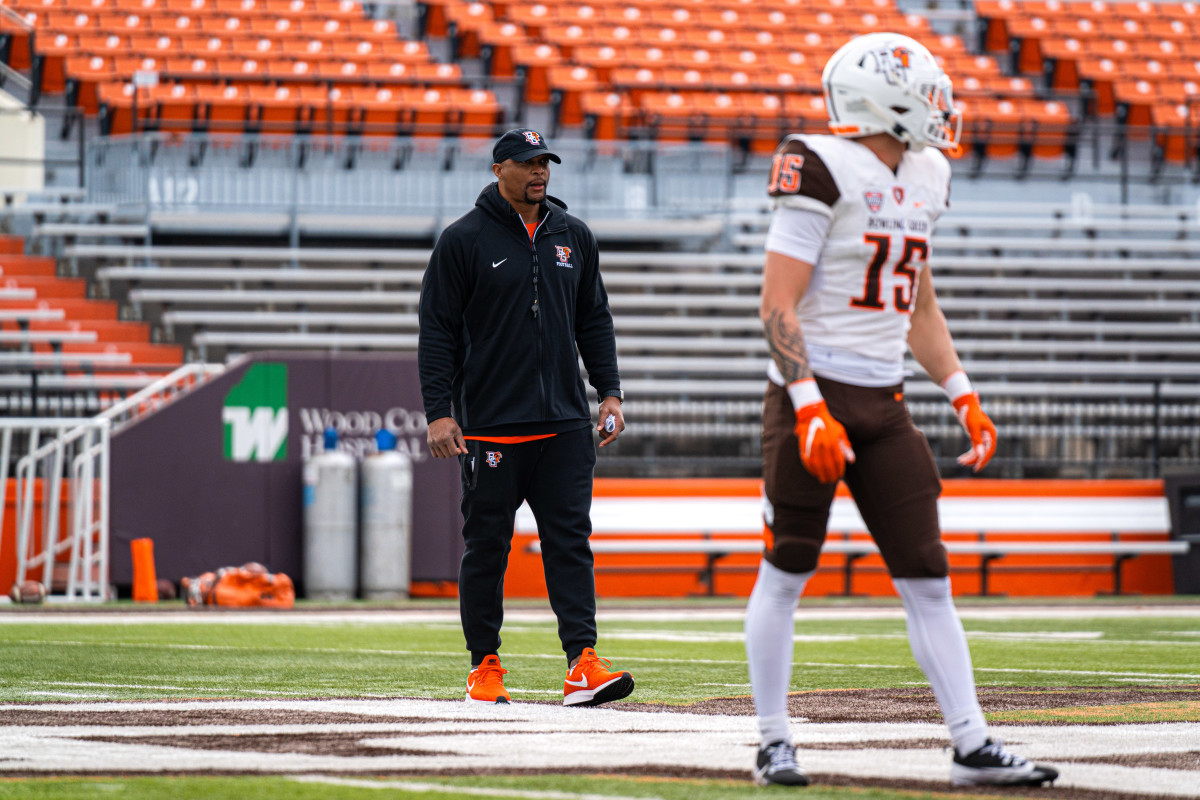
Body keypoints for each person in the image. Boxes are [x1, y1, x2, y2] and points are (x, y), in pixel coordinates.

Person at [744, 33, 1059, 788]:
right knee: (788, 567)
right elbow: (776, 304)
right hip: (809, 399)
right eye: (925, 92)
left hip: (885, 402)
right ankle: (773, 740)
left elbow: (917, 303)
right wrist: (810, 408)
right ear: (880, 97)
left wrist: (964, 394)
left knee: (927, 572)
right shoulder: (818, 161)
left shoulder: (928, 172)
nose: (939, 105)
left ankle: (972, 743)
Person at [418, 128, 633, 708]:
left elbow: (595, 319)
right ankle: (483, 667)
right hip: (490, 425)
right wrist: (440, 412)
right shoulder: (462, 240)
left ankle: (582, 664)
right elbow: (436, 332)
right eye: (527, 163)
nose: (539, 173)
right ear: (498, 170)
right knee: (487, 547)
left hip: (564, 424)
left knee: (571, 543)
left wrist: (608, 392)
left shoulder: (574, 235)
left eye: (545, 163)